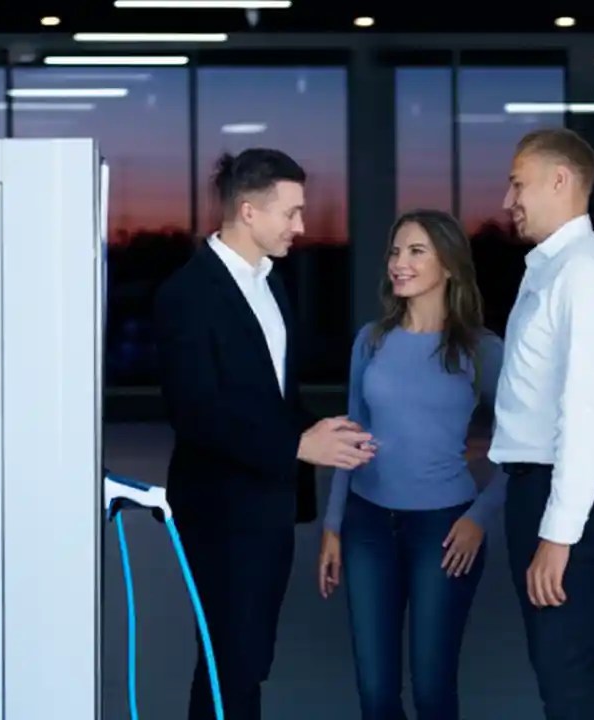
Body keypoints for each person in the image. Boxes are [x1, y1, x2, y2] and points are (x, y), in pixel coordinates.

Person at [154, 148, 376, 720]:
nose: (301, 226)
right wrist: (299, 446)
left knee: (247, 659)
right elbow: (196, 412)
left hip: (269, 502)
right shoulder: (186, 295)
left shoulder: (272, 286)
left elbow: (274, 397)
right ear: (249, 212)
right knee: (231, 657)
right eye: (292, 212)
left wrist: (322, 431)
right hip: (219, 508)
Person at [317, 209, 507, 720]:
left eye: (416, 251)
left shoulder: (481, 350)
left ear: (449, 265)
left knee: (431, 692)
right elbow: (350, 436)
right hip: (367, 525)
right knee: (376, 695)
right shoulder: (372, 340)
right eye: (396, 252)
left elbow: (525, 447)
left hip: (444, 529)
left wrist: (478, 519)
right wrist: (334, 526)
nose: (399, 263)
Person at [489, 128, 594, 720]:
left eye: (518, 184)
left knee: (567, 681)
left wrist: (558, 534)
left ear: (560, 180)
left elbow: (586, 415)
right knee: (575, 662)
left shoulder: (585, 273)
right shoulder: (550, 268)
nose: (509, 201)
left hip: (560, 496)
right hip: (534, 489)